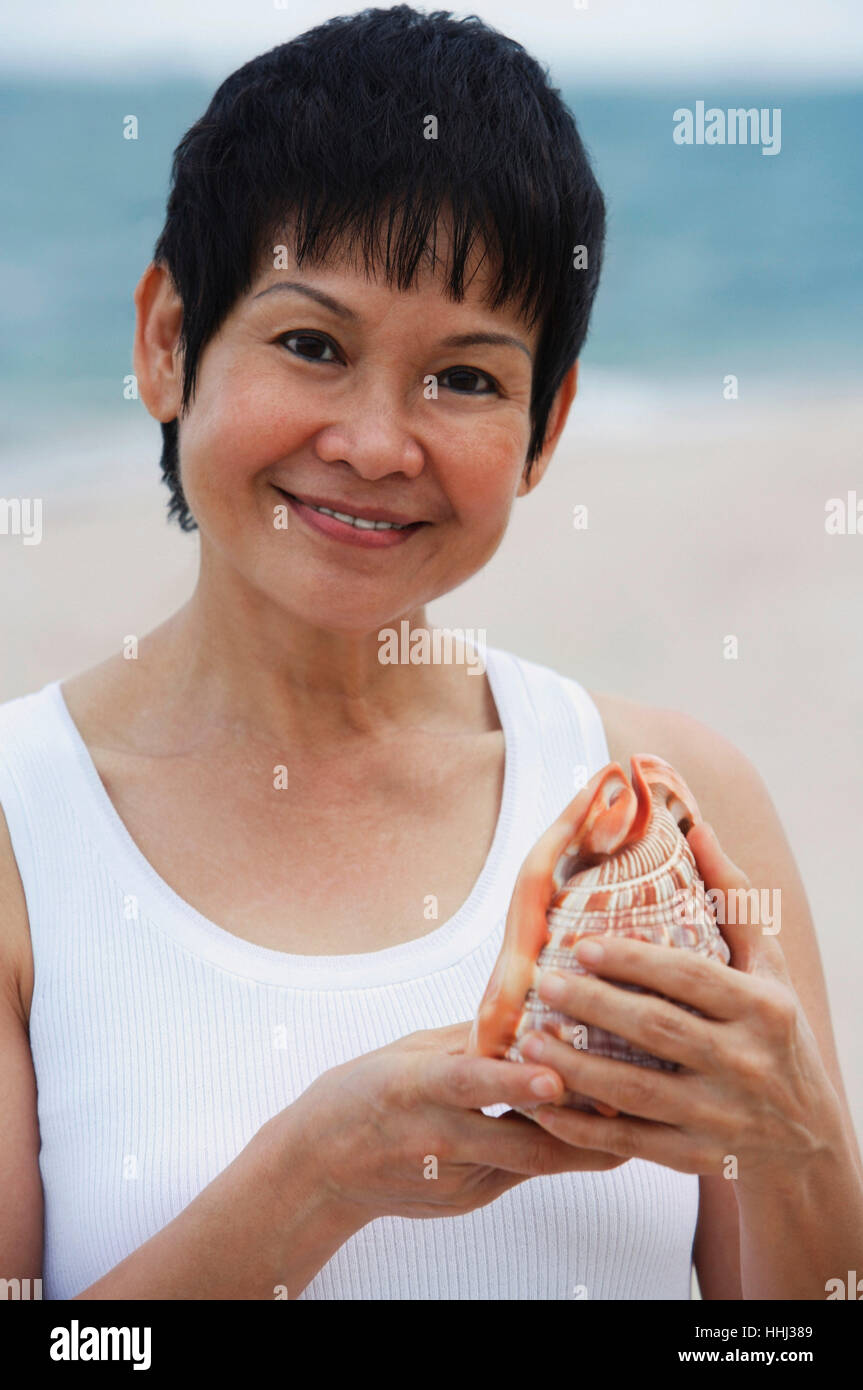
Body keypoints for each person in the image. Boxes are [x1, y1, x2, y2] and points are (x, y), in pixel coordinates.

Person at [1, 5, 860, 1301]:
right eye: (310, 345)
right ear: (168, 341)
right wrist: (312, 1180)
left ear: (547, 421)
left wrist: (795, 1141)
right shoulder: (23, 830)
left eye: (465, 378)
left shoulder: (667, 803)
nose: (377, 443)